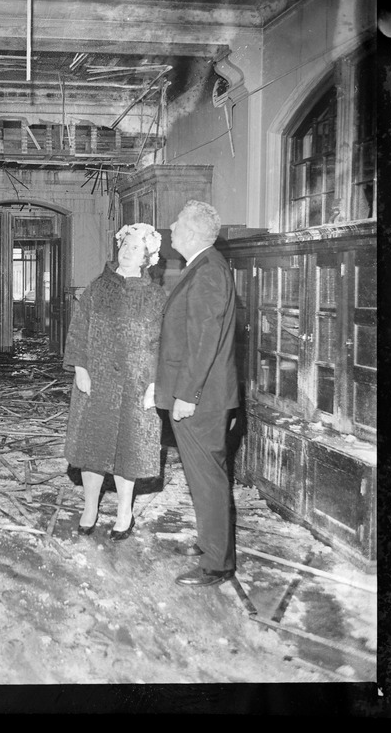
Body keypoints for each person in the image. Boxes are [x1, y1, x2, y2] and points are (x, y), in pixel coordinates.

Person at [63, 223, 167, 541]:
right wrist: (80, 367)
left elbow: (163, 343)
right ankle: (90, 508)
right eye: (126, 243)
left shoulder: (155, 296)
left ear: (148, 257)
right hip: (98, 382)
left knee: (129, 451)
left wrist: (155, 385)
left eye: (137, 247)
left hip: (137, 385)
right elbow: (79, 328)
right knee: (91, 449)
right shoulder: (98, 288)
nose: (128, 250)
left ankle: (125, 512)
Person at [155, 200, 239, 587]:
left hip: (200, 398)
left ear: (191, 231)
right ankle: (211, 544)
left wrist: (186, 395)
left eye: (177, 221)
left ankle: (216, 564)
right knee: (204, 476)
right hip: (202, 393)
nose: (171, 226)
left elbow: (203, 342)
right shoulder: (204, 267)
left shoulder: (207, 271)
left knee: (207, 478)